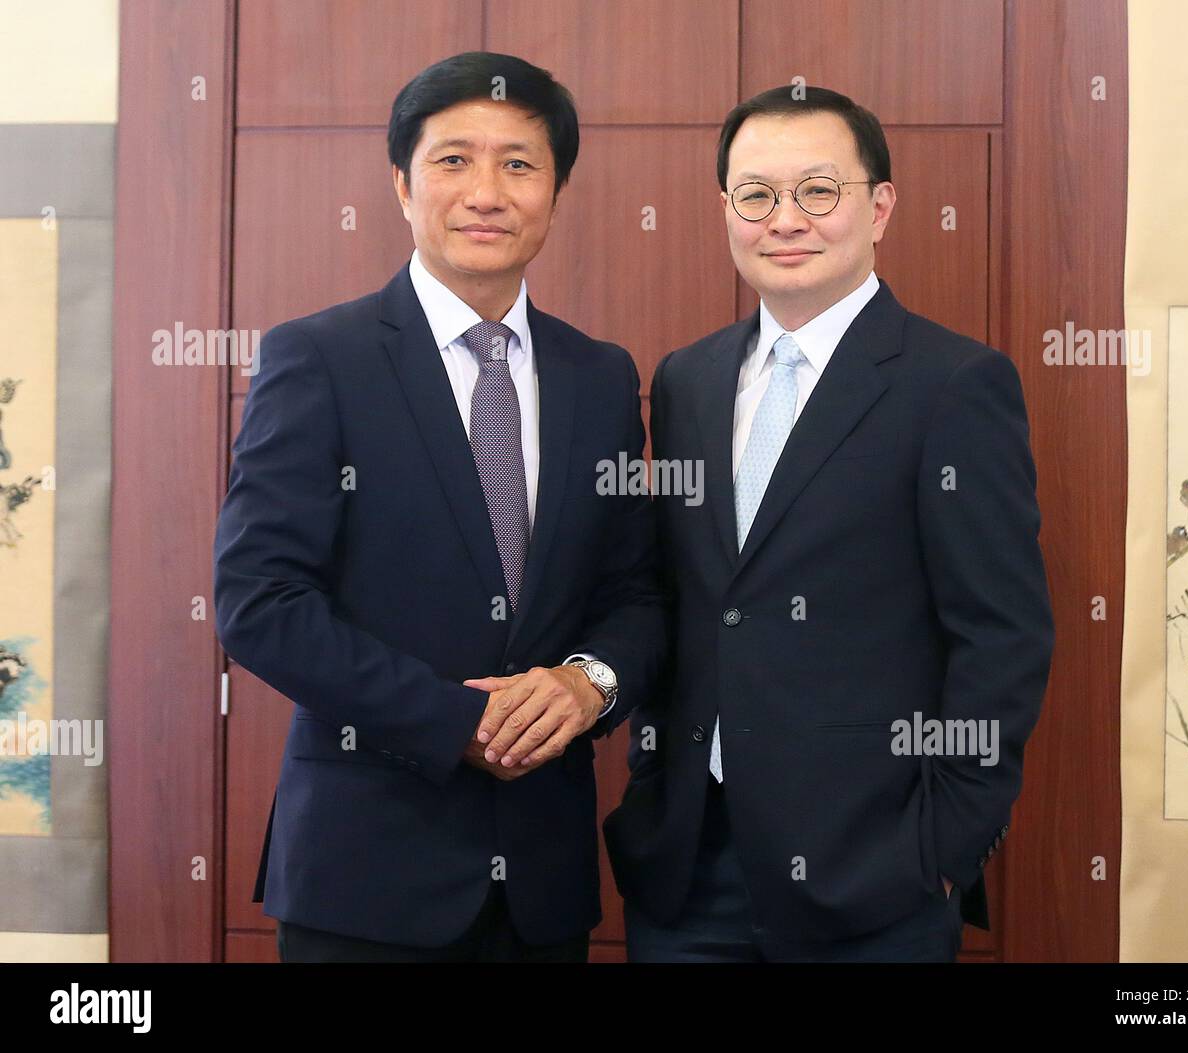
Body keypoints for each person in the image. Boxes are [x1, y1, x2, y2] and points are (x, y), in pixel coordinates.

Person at [213, 52, 665, 963]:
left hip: (542, 882)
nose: (486, 192)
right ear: (401, 184)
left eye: (519, 163)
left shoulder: (601, 376)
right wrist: (452, 721)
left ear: (556, 189)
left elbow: (640, 595)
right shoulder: (319, 359)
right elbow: (259, 601)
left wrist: (588, 685)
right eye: (453, 160)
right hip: (363, 877)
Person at [605, 85, 1054, 962]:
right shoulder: (686, 381)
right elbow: (687, 600)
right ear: (725, 210)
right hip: (690, 870)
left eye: (820, 190)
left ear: (879, 207)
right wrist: (655, 777)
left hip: (874, 877)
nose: (786, 219)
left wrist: (939, 847)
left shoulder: (955, 385)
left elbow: (1002, 637)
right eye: (756, 195)